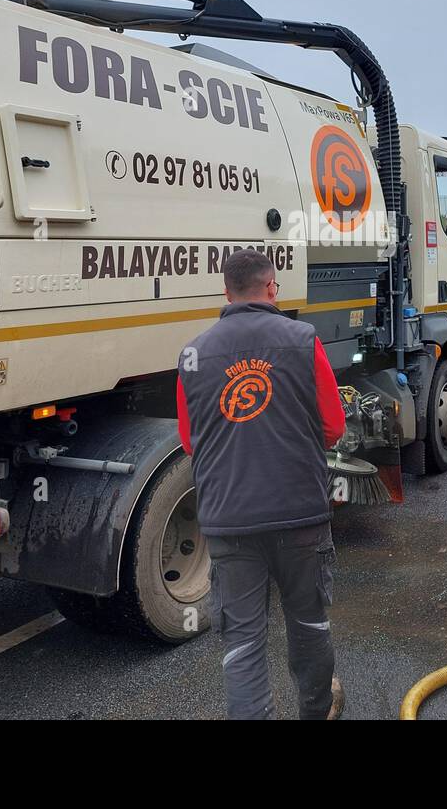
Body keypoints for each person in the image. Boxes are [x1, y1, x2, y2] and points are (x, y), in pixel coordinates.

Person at [175, 248, 347, 720]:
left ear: (225, 291)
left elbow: (191, 441)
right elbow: (333, 426)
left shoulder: (192, 353)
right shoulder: (302, 340)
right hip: (300, 514)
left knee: (243, 641)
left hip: (228, 520)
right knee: (309, 625)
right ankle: (316, 711)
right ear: (272, 288)